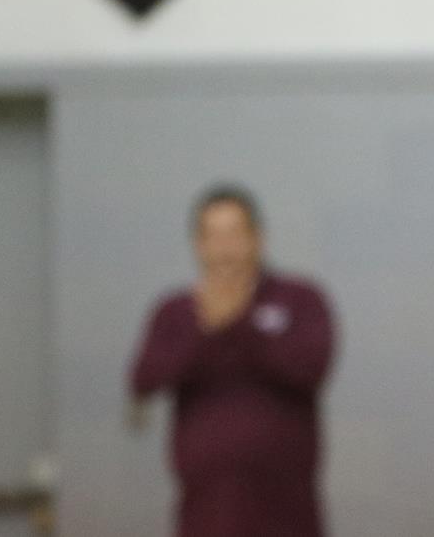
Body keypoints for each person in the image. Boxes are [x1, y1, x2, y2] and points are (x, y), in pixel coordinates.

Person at [128, 185, 336, 537]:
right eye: (214, 236)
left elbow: (310, 367)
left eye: (234, 234)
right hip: (206, 512)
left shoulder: (299, 298)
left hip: (287, 512)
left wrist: (241, 323)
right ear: (199, 244)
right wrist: (206, 330)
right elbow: (144, 379)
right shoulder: (176, 311)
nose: (225, 248)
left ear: (258, 239)